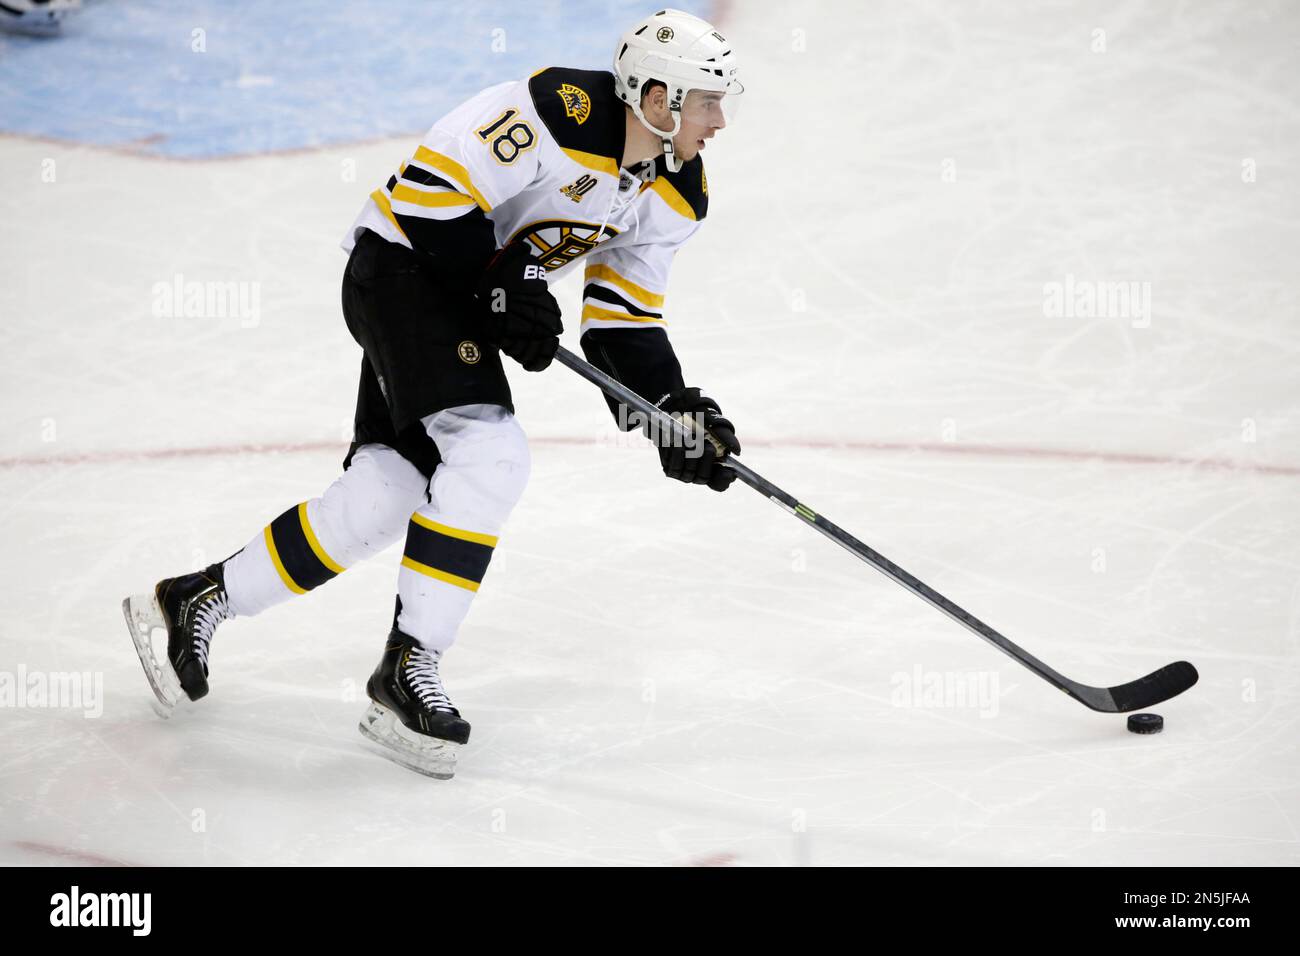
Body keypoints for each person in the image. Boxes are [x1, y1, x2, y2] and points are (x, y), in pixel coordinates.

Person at [123, 8, 744, 779]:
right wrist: (502, 287)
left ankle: (198, 599)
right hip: (401, 271)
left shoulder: (678, 192)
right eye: (708, 102)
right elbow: (432, 193)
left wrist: (671, 411)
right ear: (657, 98)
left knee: (387, 491)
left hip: (455, 296)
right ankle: (407, 668)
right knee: (491, 458)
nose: (720, 121)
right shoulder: (557, 110)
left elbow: (621, 322)